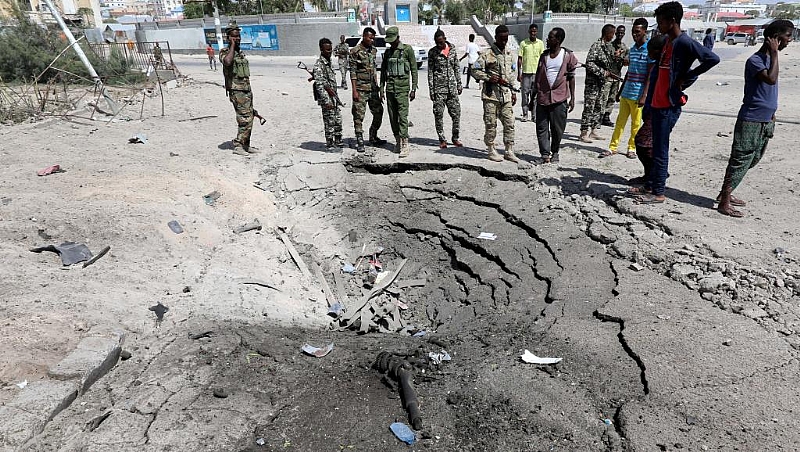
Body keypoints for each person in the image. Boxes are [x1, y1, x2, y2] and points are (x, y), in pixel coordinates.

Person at [634, 1, 719, 204]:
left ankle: (658, 193)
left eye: (661, 22)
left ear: (672, 21)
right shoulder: (668, 43)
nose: (659, 26)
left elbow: (712, 59)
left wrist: (686, 77)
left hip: (668, 106)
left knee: (660, 149)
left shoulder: (684, 42)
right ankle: (651, 185)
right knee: (653, 146)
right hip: (657, 105)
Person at [716, 20, 794, 217]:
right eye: (787, 36)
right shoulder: (756, 61)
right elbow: (771, 79)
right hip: (751, 119)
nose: (789, 40)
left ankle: (726, 192)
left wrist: (772, 115)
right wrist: (774, 53)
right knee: (740, 159)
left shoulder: (770, 61)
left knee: (753, 158)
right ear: (775, 38)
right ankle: (724, 201)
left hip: (766, 119)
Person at [602, 18, 652, 159]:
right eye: (633, 32)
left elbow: (649, 74)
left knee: (635, 125)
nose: (634, 34)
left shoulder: (649, 50)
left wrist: (644, 95)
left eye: (637, 32)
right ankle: (613, 147)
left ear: (645, 31)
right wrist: (620, 91)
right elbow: (629, 72)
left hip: (638, 94)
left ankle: (632, 148)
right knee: (620, 123)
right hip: (627, 92)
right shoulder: (632, 49)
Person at [473, 25, 519, 163]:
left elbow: (511, 75)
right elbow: (474, 70)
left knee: (509, 123)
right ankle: (491, 149)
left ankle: (509, 150)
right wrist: (488, 77)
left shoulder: (510, 54)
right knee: (491, 124)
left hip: (505, 95)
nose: (504, 42)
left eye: (506, 39)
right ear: (496, 37)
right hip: (491, 96)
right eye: (502, 39)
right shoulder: (487, 54)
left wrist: (513, 91)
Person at [534, 27, 579, 164]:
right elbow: (537, 78)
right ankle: (545, 155)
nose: (547, 39)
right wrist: (532, 98)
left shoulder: (568, 56)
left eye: (551, 37)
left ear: (558, 40)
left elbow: (571, 77)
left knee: (557, 128)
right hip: (542, 97)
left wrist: (572, 98)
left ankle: (555, 152)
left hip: (559, 98)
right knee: (541, 128)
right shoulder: (544, 56)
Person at [629, 34, 666, 188]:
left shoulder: (666, 65)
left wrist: (677, 89)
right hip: (651, 108)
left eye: (651, 50)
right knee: (646, 144)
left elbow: (688, 76)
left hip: (662, 110)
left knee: (644, 143)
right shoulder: (658, 64)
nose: (648, 54)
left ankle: (654, 179)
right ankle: (649, 175)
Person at [220, 21, 257, 156]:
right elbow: (227, 62)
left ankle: (246, 144)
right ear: (228, 38)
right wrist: (232, 45)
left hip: (246, 90)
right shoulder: (225, 52)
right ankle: (238, 145)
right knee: (244, 119)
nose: (238, 39)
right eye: (234, 37)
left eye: (239, 37)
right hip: (236, 91)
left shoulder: (240, 53)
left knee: (250, 117)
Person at [380, 26, 418, 157]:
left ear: (398, 37)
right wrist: (381, 89)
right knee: (392, 117)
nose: (391, 43)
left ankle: (405, 144)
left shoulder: (407, 50)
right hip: (390, 89)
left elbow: (414, 69)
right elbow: (383, 71)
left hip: (402, 89)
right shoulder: (388, 53)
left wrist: (414, 88)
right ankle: (397, 141)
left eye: (392, 40)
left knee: (402, 117)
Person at [580, 24, 618, 143]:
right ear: (607, 33)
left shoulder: (608, 47)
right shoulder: (596, 46)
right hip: (592, 84)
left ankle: (594, 131)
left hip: (602, 83)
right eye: (612, 33)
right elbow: (589, 63)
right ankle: (584, 133)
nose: (613, 36)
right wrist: (603, 72)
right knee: (589, 107)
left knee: (599, 107)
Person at [349, 27, 385, 153]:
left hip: (372, 88)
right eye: (370, 37)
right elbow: (352, 72)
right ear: (364, 36)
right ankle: (359, 140)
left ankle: (373, 136)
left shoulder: (374, 51)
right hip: (360, 89)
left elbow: (374, 70)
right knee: (359, 116)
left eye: (373, 38)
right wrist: (354, 91)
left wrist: (379, 89)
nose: (372, 40)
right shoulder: (355, 51)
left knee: (379, 112)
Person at [428, 29, 463, 149]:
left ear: (445, 39)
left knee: (456, 113)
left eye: (441, 42)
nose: (439, 45)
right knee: (438, 114)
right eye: (437, 43)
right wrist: (432, 90)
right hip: (439, 89)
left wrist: (459, 83)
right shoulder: (432, 52)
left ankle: (455, 138)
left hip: (452, 88)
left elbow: (456, 67)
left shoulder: (452, 49)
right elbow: (430, 72)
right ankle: (442, 139)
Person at [313, 38, 344, 151]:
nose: (330, 52)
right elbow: (320, 86)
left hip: (333, 96)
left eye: (330, 49)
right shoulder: (319, 65)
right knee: (329, 121)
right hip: (327, 98)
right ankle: (330, 143)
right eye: (327, 50)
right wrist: (326, 101)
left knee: (338, 119)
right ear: (321, 49)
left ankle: (338, 140)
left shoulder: (328, 62)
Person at [600, 25, 629, 128]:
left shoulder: (625, 48)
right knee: (604, 96)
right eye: (618, 33)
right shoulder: (609, 45)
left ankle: (607, 116)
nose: (620, 35)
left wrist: (623, 59)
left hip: (616, 76)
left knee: (612, 97)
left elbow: (626, 62)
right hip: (608, 75)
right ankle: (600, 115)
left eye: (622, 33)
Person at [518, 23, 545, 123]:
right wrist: (519, 72)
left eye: (535, 31)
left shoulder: (540, 43)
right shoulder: (523, 43)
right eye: (532, 31)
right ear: (529, 32)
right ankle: (525, 114)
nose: (533, 33)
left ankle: (534, 115)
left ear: (537, 32)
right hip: (526, 73)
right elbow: (520, 58)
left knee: (535, 95)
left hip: (537, 74)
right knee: (525, 94)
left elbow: (542, 59)